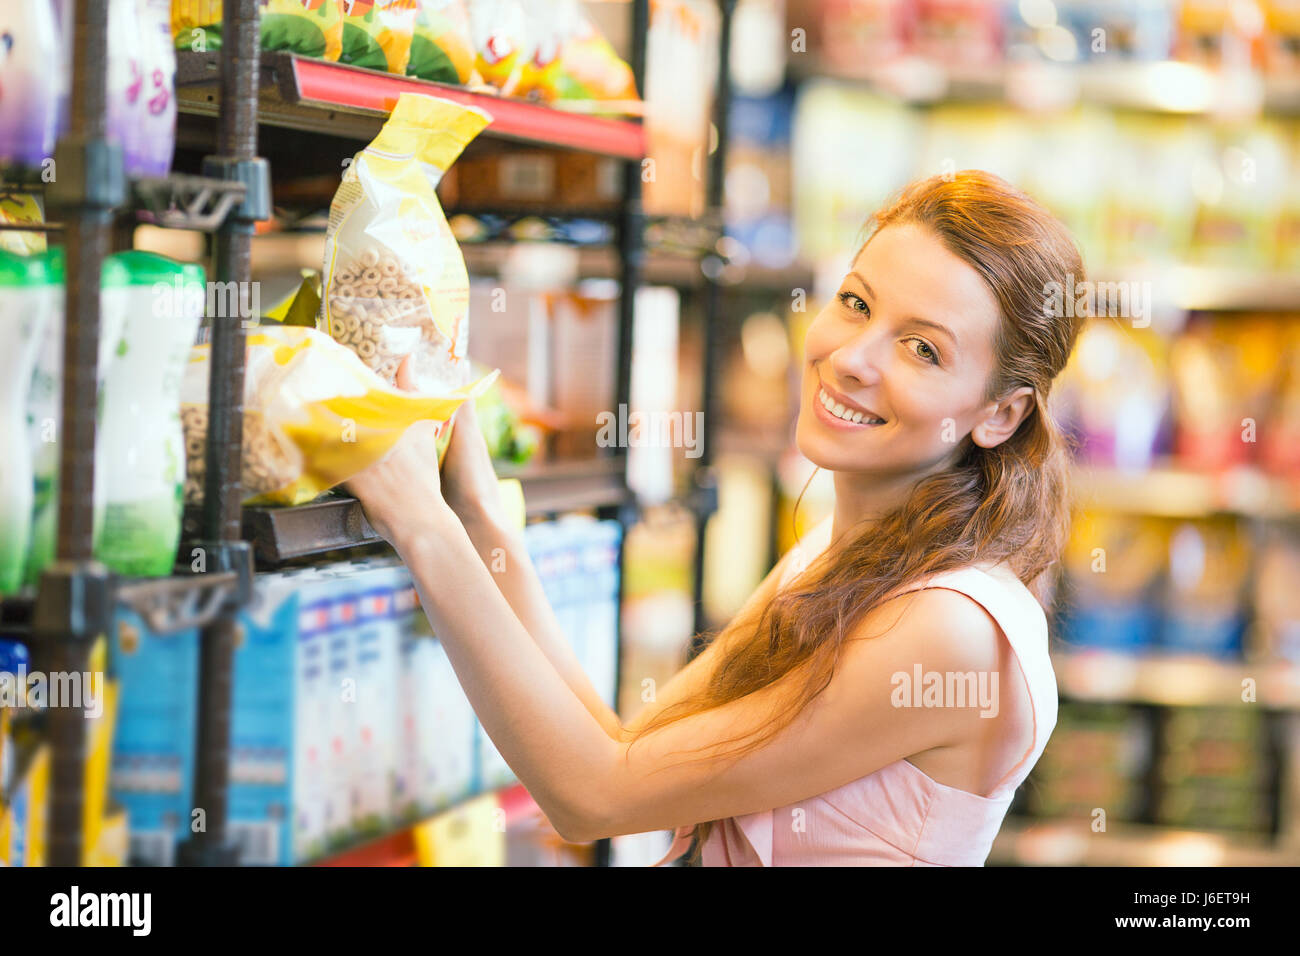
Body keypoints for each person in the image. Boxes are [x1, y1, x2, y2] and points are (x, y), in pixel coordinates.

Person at [346, 169, 1085, 866]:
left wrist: (420, 525)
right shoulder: (840, 553)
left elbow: (592, 796)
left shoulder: (950, 633)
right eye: (857, 303)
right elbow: (627, 750)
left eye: (922, 349)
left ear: (1000, 414)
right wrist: (478, 517)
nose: (853, 357)